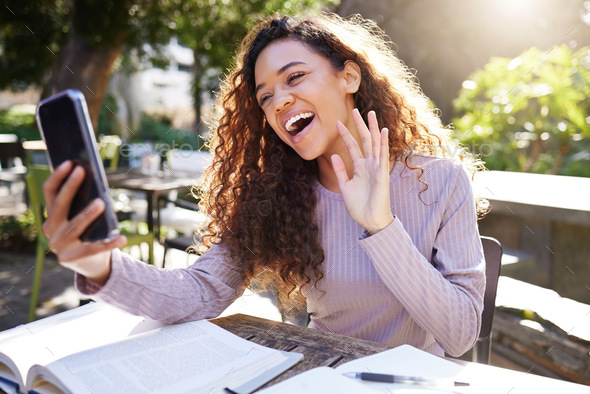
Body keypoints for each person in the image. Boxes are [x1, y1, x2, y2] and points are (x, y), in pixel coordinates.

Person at [42, 12, 486, 357]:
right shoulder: (277, 196)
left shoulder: (440, 182)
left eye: (295, 78)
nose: (280, 102)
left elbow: (460, 334)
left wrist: (381, 227)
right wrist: (99, 266)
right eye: (265, 96)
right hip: (322, 375)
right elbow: (198, 292)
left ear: (349, 77)